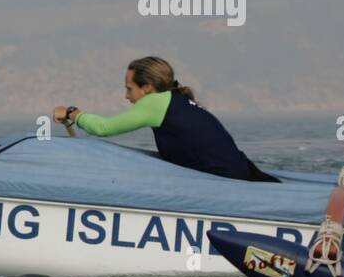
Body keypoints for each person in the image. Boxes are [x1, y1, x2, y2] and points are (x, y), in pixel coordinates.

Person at [54, 56, 279, 182]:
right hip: (241, 170)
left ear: (147, 88)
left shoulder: (155, 103)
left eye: (129, 89)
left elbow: (103, 128)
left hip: (228, 181)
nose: (126, 96)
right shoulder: (174, 99)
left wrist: (72, 112)